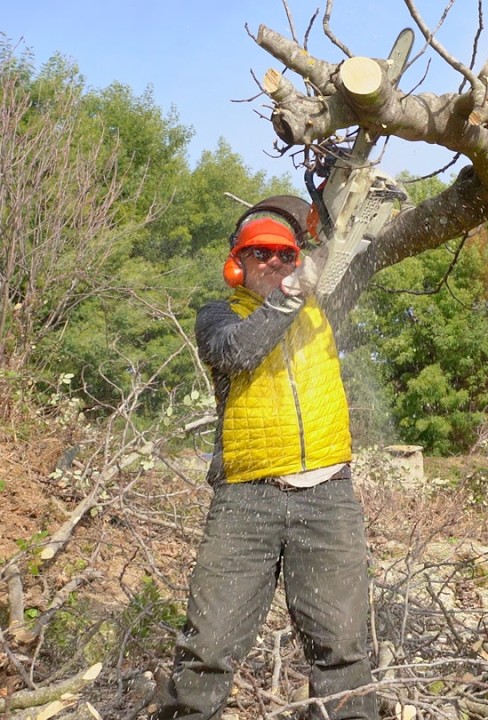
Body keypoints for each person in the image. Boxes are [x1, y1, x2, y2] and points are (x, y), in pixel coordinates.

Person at [153, 196, 377, 720]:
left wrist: (356, 204)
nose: (274, 264)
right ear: (237, 264)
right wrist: (291, 294)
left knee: (342, 651)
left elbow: (367, 242)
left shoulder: (326, 306)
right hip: (245, 500)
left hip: (328, 498)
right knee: (207, 649)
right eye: (261, 255)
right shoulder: (219, 318)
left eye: (285, 255)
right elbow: (239, 352)